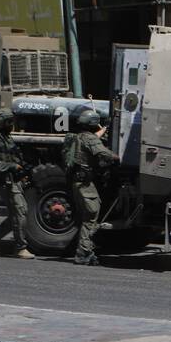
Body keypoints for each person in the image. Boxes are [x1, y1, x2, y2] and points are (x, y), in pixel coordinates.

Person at [62, 107, 118, 266]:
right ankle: (83, 253)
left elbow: (91, 139)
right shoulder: (90, 139)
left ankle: (86, 250)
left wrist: (102, 131)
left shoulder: (76, 137)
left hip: (76, 182)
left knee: (85, 218)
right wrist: (117, 157)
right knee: (91, 218)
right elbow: (103, 154)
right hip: (85, 184)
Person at [0, 108, 34, 259]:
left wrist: (21, 170)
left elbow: (13, 157)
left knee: (17, 215)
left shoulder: (6, 137)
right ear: (1, 122)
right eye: (9, 121)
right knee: (20, 212)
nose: (12, 124)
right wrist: (11, 167)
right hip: (4, 181)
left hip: (13, 180)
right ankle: (20, 247)